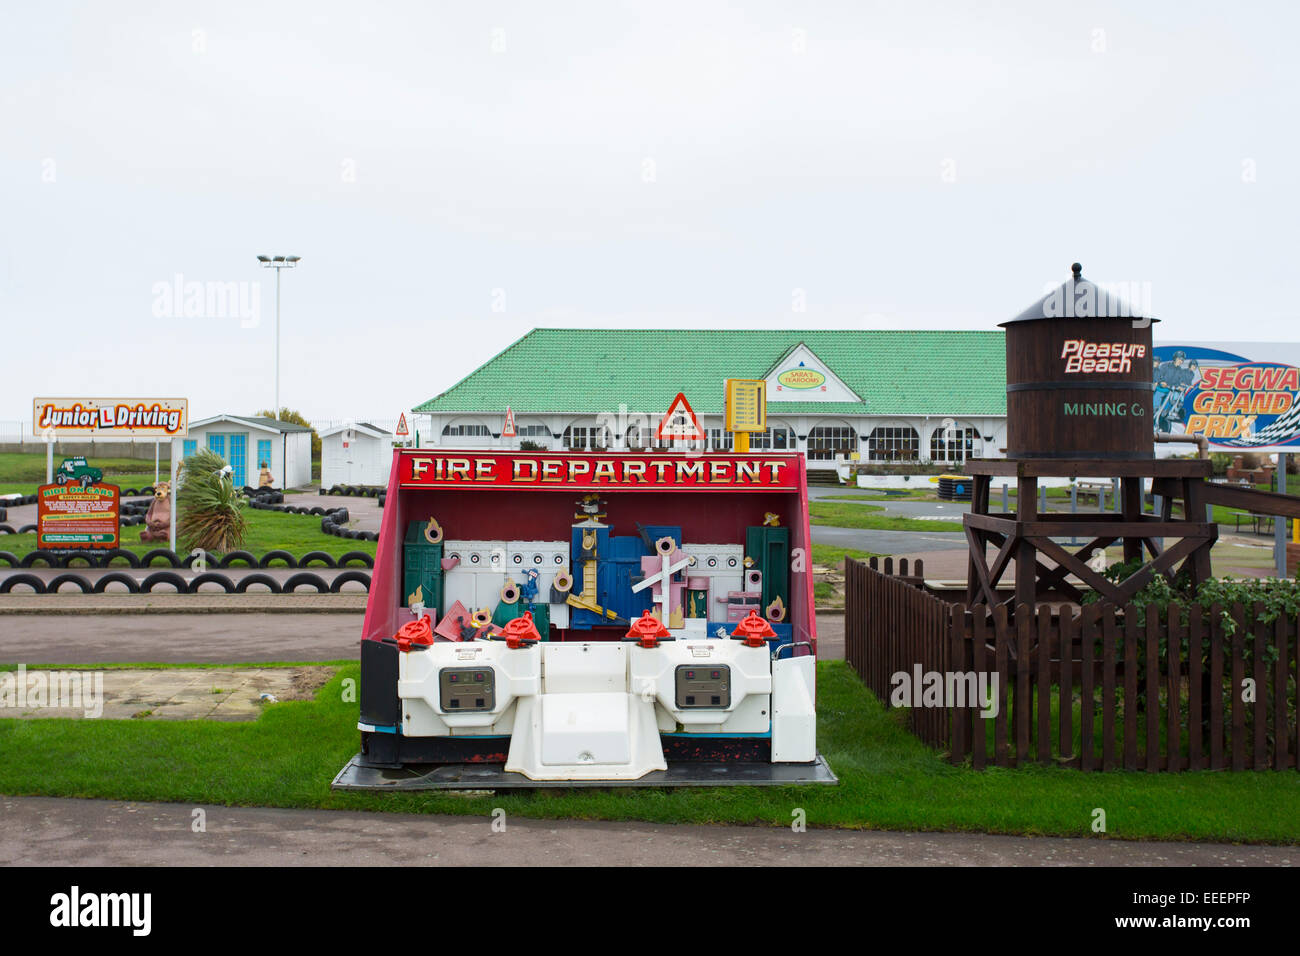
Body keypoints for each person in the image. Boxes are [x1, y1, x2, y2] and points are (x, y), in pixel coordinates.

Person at [1154, 351, 1200, 432]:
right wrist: (1161, 382)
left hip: (1170, 392)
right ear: (1175, 358)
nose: (1180, 361)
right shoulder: (1165, 366)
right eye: (1179, 359)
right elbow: (1158, 375)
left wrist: (1179, 387)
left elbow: (1179, 381)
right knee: (1155, 407)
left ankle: (1160, 423)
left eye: (1182, 360)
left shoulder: (1180, 370)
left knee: (1165, 411)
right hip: (1161, 389)